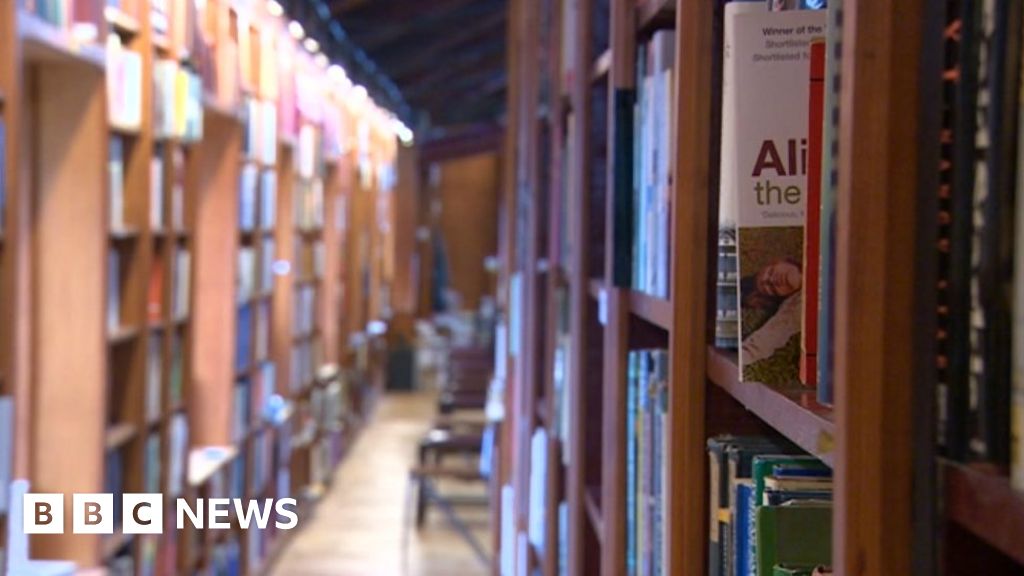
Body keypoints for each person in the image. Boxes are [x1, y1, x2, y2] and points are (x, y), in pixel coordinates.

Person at [740, 258, 802, 366]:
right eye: (771, 288)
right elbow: (764, 342)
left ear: (782, 261)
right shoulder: (796, 308)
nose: (772, 280)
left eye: (770, 272)